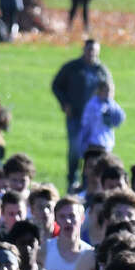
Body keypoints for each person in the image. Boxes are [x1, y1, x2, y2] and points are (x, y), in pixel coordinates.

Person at [51, 39, 111, 191]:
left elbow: (109, 91)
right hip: (76, 117)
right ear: (84, 50)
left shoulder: (101, 71)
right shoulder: (72, 68)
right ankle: (72, 180)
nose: (91, 53)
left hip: (94, 121)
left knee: (91, 152)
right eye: (89, 50)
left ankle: (87, 183)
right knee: (75, 149)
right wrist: (64, 103)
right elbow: (56, 85)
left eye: (95, 51)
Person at [77, 76, 125, 157]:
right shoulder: (92, 104)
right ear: (99, 91)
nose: (108, 94)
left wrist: (111, 109)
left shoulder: (112, 104)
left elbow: (120, 118)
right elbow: (89, 123)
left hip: (107, 143)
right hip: (93, 143)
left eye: (111, 92)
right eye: (106, 91)